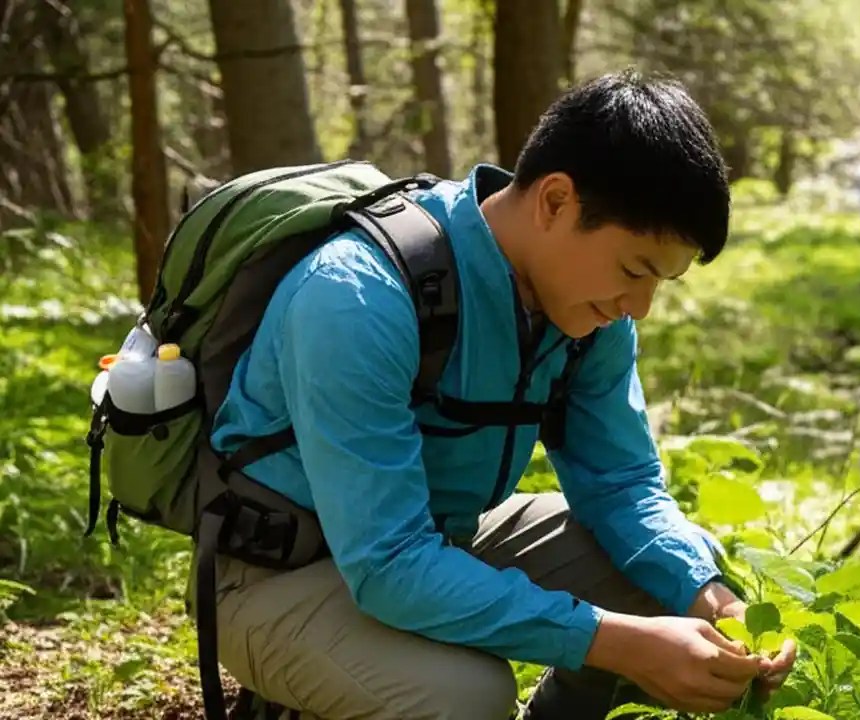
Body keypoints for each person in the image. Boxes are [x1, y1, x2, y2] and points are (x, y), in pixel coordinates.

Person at [207, 69, 797, 720]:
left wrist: (712, 600)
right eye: (635, 270)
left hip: (436, 537)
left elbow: (621, 483)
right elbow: (387, 564)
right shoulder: (357, 299)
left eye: (663, 282)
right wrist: (615, 644)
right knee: (467, 696)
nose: (641, 307)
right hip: (279, 576)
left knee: (665, 585)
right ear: (554, 201)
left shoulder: (589, 312)